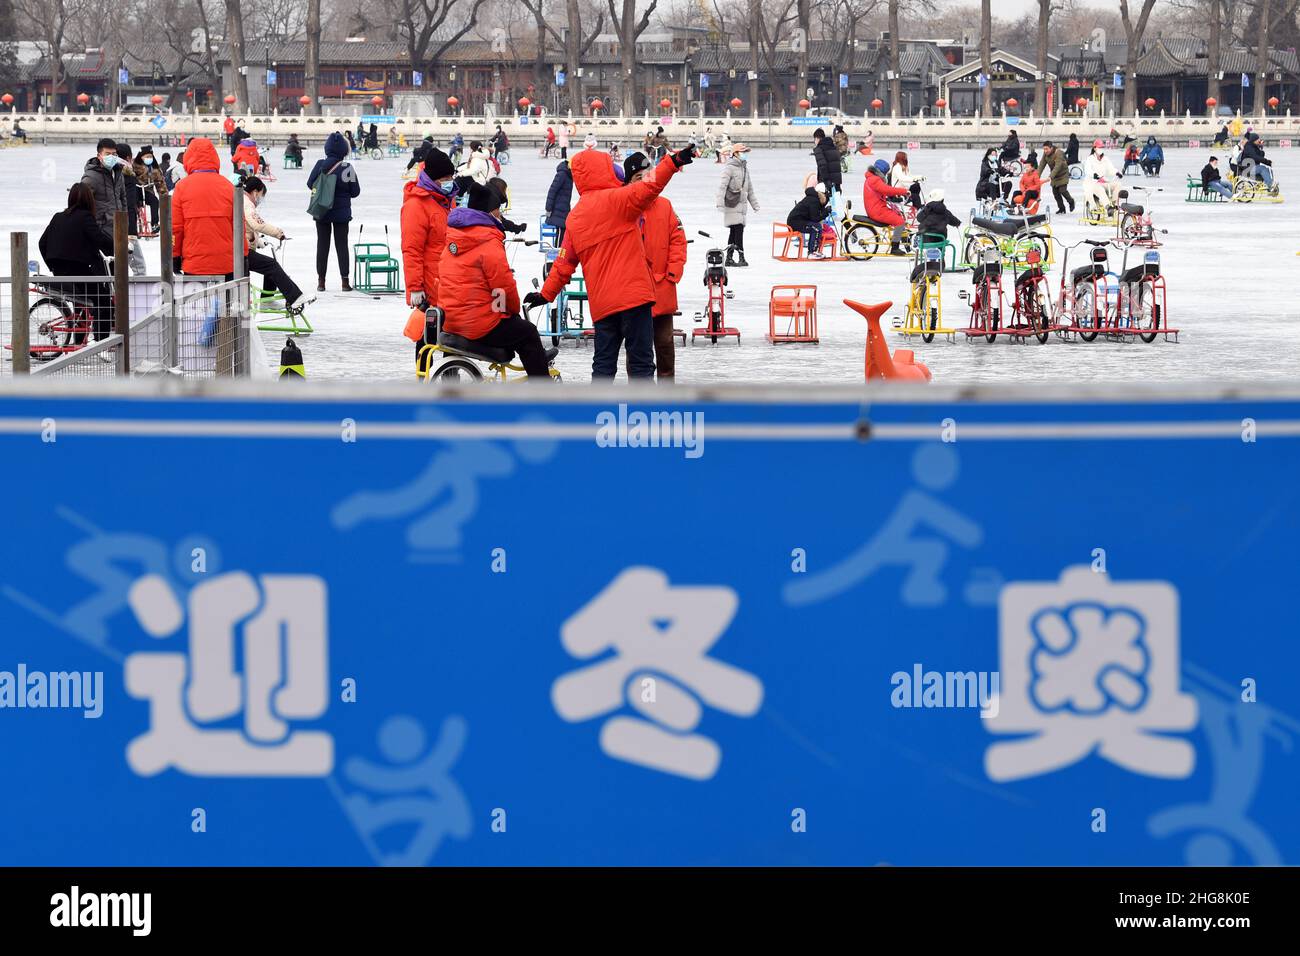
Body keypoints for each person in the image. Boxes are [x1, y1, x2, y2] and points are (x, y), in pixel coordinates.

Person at [523, 143, 697, 381]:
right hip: (635, 298)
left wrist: (545, 294)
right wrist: (674, 161)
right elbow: (652, 183)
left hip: (603, 304)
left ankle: (599, 412)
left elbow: (564, 262)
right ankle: (642, 414)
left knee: (603, 365)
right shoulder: (620, 199)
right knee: (641, 365)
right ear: (604, 170)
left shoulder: (575, 217)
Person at [440, 182, 554, 380]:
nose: (501, 216)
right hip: (477, 323)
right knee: (527, 333)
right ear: (489, 214)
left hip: (451, 319)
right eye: (498, 212)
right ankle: (544, 393)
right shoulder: (488, 241)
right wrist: (514, 309)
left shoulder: (453, 238)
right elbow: (503, 286)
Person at [623, 151, 686, 381]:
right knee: (638, 348)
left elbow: (678, 240)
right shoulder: (623, 207)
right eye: (637, 177)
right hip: (633, 291)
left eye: (647, 175)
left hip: (662, 286)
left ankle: (666, 394)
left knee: (665, 344)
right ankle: (640, 394)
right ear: (628, 182)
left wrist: (672, 272)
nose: (644, 181)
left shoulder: (665, 206)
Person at [401, 146, 458, 369]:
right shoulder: (416, 205)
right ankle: (423, 378)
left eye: (451, 177)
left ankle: (450, 376)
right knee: (425, 339)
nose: (450, 182)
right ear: (434, 179)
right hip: (429, 283)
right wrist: (415, 287)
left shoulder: (446, 200)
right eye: (446, 178)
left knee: (450, 336)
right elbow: (411, 249)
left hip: (449, 280)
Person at [38, 183, 115, 341]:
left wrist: (53, 265)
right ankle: (102, 341)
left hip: (61, 275)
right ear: (89, 200)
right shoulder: (85, 217)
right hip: (79, 273)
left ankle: (79, 339)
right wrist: (118, 246)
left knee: (81, 301)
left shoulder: (58, 217)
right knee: (103, 299)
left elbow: (42, 243)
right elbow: (99, 239)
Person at [172, 138, 246, 277]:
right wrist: (245, 255)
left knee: (196, 299)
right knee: (229, 299)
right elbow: (239, 225)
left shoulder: (181, 187)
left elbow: (176, 228)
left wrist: (174, 256)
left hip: (194, 264)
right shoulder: (228, 186)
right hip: (227, 263)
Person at [242, 176, 313, 313]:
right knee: (271, 265)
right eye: (261, 195)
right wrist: (277, 233)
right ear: (255, 192)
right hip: (241, 252)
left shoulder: (242, 200)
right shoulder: (246, 203)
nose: (260, 199)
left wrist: (258, 241)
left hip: (243, 247)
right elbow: (257, 224)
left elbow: (247, 227)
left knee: (269, 265)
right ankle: (294, 297)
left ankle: (267, 298)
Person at [307, 131, 362, 291]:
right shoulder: (347, 168)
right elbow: (355, 192)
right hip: (342, 214)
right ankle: (345, 282)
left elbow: (310, 184)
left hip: (322, 211)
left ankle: (321, 282)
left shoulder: (320, 165)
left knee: (322, 245)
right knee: (342, 245)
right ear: (344, 150)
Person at [716, 143, 758, 267]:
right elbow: (722, 186)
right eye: (742, 152)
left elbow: (749, 189)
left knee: (734, 231)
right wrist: (719, 203)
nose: (744, 155)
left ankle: (729, 258)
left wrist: (755, 205)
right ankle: (741, 256)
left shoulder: (745, 169)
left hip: (742, 205)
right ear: (735, 154)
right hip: (732, 204)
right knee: (738, 230)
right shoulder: (729, 168)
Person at [81, 137, 127, 241]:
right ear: (99, 156)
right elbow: (82, 204)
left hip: (119, 227)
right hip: (100, 230)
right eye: (108, 154)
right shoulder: (91, 177)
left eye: (114, 154)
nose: (111, 157)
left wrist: (125, 220)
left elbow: (123, 198)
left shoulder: (118, 173)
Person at [863, 158, 910, 254]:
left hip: (876, 208)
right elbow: (886, 190)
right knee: (899, 221)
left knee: (898, 215)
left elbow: (881, 193)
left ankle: (904, 239)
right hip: (877, 211)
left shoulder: (871, 178)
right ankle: (895, 248)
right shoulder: (875, 180)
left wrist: (895, 198)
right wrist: (904, 191)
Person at [787, 183, 831, 259]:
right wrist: (826, 212)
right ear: (822, 194)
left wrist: (825, 207)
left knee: (816, 226)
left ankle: (814, 251)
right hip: (795, 222)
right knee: (816, 228)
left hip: (797, 221)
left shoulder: (814, 198)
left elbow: (817, 211)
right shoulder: (814, 200)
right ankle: (812, 252)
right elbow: (815, 218)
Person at [133, 145, 166, 233]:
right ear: (141, 157)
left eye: (150, 156)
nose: (149, 158)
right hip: (136, 189)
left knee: (155, 201)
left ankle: (154, 224)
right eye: (147, 157)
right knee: (133, 203)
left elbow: (160, 182)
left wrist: (164, 196)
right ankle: (132, 225)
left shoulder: (155, 168)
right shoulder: (134, 165)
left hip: (147, 190)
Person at [1038, 141, 1074, 214]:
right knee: (1056, 193)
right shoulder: (1045, 154)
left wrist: (1050, 176)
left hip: (1063, 174)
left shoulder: (1058, 153)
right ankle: (1061, 208)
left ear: (1051, 148)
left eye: (1047, 149)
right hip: (1055, 175)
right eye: (1044, 149)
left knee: (1062, 190)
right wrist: (1036, 176)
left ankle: (1071, 201)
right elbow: (1042, 164)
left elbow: (1058, 166)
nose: (1045, 151)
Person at [1084, 140, 1121, 211]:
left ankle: (1114, 203)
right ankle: (1108, 207)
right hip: (1093, 183)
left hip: (1103, 182)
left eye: (1102, 147)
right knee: (1100, 189)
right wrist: (1093, 174)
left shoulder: (1105, 159)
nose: (1101, 149)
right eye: (1099, 147)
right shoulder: (1090, 159)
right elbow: (1087, 170)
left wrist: (1117, 172)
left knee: (1118, 184)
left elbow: (1110, 168)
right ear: (1095, 148)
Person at [544, 158, 574, 245]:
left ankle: (559, 252)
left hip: (564, 208)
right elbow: (552, 190)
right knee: (561, 230)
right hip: (558, 208)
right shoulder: (562, 174)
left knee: (563, 230)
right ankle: (557, 252)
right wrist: (548, 208)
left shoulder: (569, 175)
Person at [813, 128, 842, 198]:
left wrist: (826, 182)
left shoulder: (819, 149)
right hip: (836, 181)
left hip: (826, 182)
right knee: (836, 204)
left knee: (823, 203)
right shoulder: (834, 147)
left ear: (817, 138)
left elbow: (822, 165)